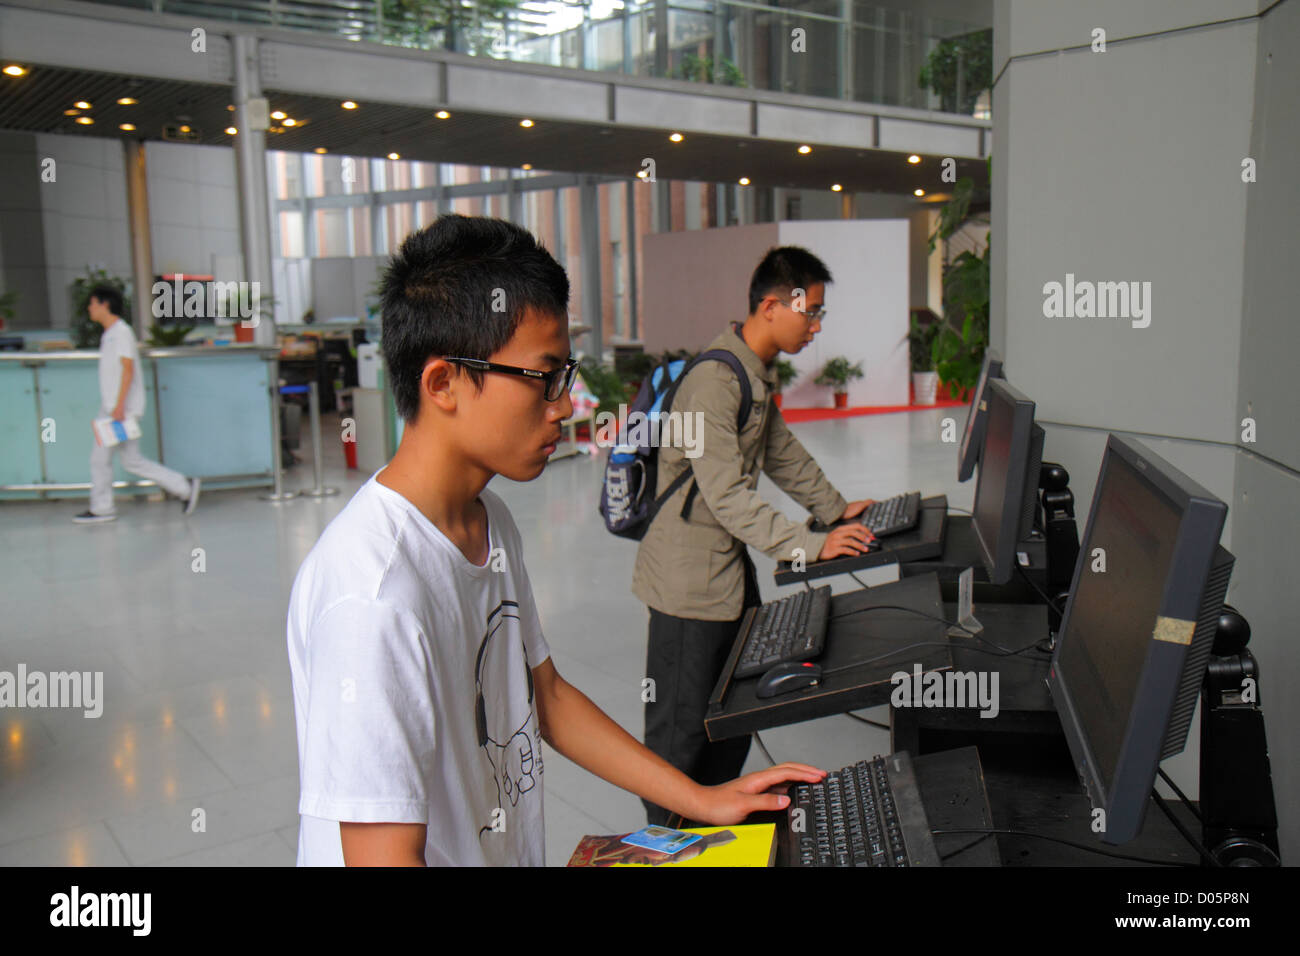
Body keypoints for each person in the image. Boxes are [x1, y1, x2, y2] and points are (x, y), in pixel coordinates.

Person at [286, 215, 824, 866]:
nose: (565, 406)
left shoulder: (488, 521)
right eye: (544, 379)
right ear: (443, 383)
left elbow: (547, 697)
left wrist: (703, 800)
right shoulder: (371, 596)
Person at [631, 246, 879, 825]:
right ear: (771, 306)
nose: (816, 326)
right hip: (687, 590)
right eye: (810, 312)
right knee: (680, 743)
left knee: (727, 728)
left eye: (820, 314)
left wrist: (837, 510)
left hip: (724, 576)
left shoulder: (751, 372)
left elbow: (780, 454)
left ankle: (718, 842)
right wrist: (812, 544)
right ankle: (670, 848)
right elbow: (727, 496)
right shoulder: (717, 380)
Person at [73, 286, 199, 523]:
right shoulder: (111, 333)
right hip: (115, 408)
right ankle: (184, 486)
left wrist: (120, 406)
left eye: (92, 303)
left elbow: (128, 369)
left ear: (104, 304)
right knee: (130, 460)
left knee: (101, 459)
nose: (89, 309)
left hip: (119, 410)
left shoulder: (121, 333)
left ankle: (102, 508)